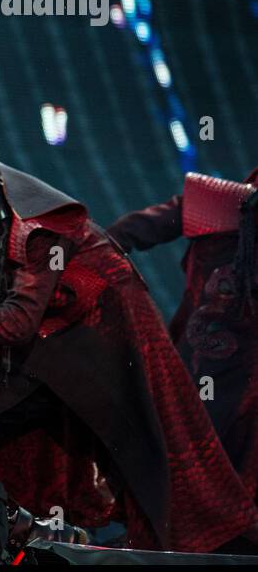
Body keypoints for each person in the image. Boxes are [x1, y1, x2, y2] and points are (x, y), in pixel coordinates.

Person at [0, 131, 258, 552]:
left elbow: (19, 321)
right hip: (64, 350)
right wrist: (107, 248)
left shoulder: (33, 231)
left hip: (110, 350)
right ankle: (8, 535)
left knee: (163, 468)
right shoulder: (233, 200)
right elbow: (160, 219)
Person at [107, 168, 258, 501]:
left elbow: (130, 232)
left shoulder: (229, 201)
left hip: (217, 363)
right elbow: (132, 231)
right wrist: (95, 254)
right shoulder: (229, 201)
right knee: (185, 446)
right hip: (211, 358)